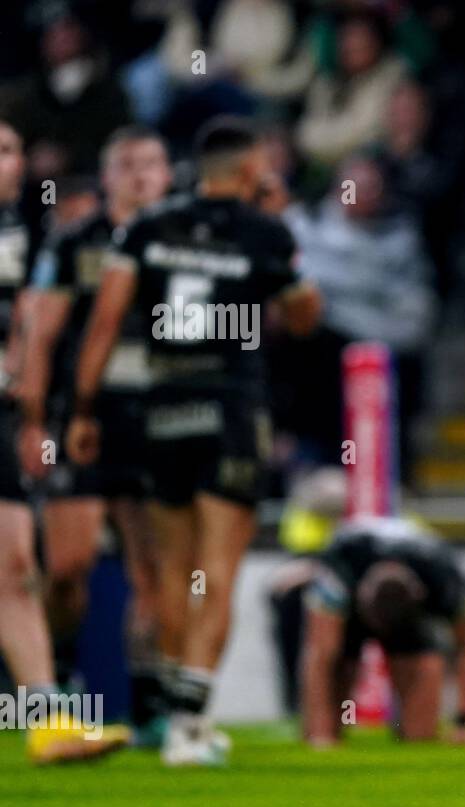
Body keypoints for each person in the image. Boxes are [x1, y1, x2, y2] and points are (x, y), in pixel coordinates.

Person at [67, 116, 322, 766]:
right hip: (230, 408)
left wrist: (83, 410)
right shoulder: (266, 232)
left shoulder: (148, 229)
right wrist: (279, 249)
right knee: (220, 571)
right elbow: (304, 318)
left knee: (175, 573)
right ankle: (189, 724)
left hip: (160, 406)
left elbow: (102, 324)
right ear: (248, 170)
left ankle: (177, 720)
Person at [15, 126, 172, 742]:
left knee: (154, 572)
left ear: (167, 174)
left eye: (152, 164)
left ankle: (153, 703)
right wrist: (34, 421)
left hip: (154, 420)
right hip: (82, 419)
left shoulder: (180, 239)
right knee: (68, 567)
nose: (140, 176)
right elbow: (43, 336)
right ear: (108, 177)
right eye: (128, 165)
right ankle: (55, 680)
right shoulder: (75, 240)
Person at [0, 117, 129, 763]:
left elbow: (33, 328)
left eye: (10, 150)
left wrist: (27, 415)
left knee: (18, 568)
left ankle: (46, 719)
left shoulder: (30, 235)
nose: (3, 161)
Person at [299, 516, 465, 746]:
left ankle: (405, 726)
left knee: (420, 735)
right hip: (350, 616)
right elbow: (320, 657)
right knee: (322, 731)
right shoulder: (339, 571)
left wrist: (463, 721)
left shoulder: (444, 578)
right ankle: (327, 729)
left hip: (410, 620)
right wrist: (322, 735)